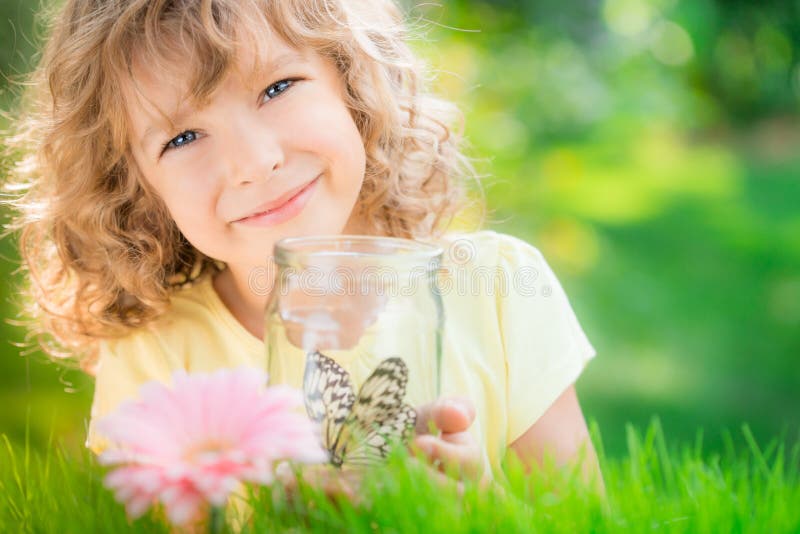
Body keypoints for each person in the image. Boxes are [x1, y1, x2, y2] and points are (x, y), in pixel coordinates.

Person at [2, 0, 601, 499]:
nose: (253, 161)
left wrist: (473, 513)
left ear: (354, 82)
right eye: (182, 136)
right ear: (134, 188)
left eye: (277, 86)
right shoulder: (153, 361)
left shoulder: (498, 291)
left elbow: (586, 519)